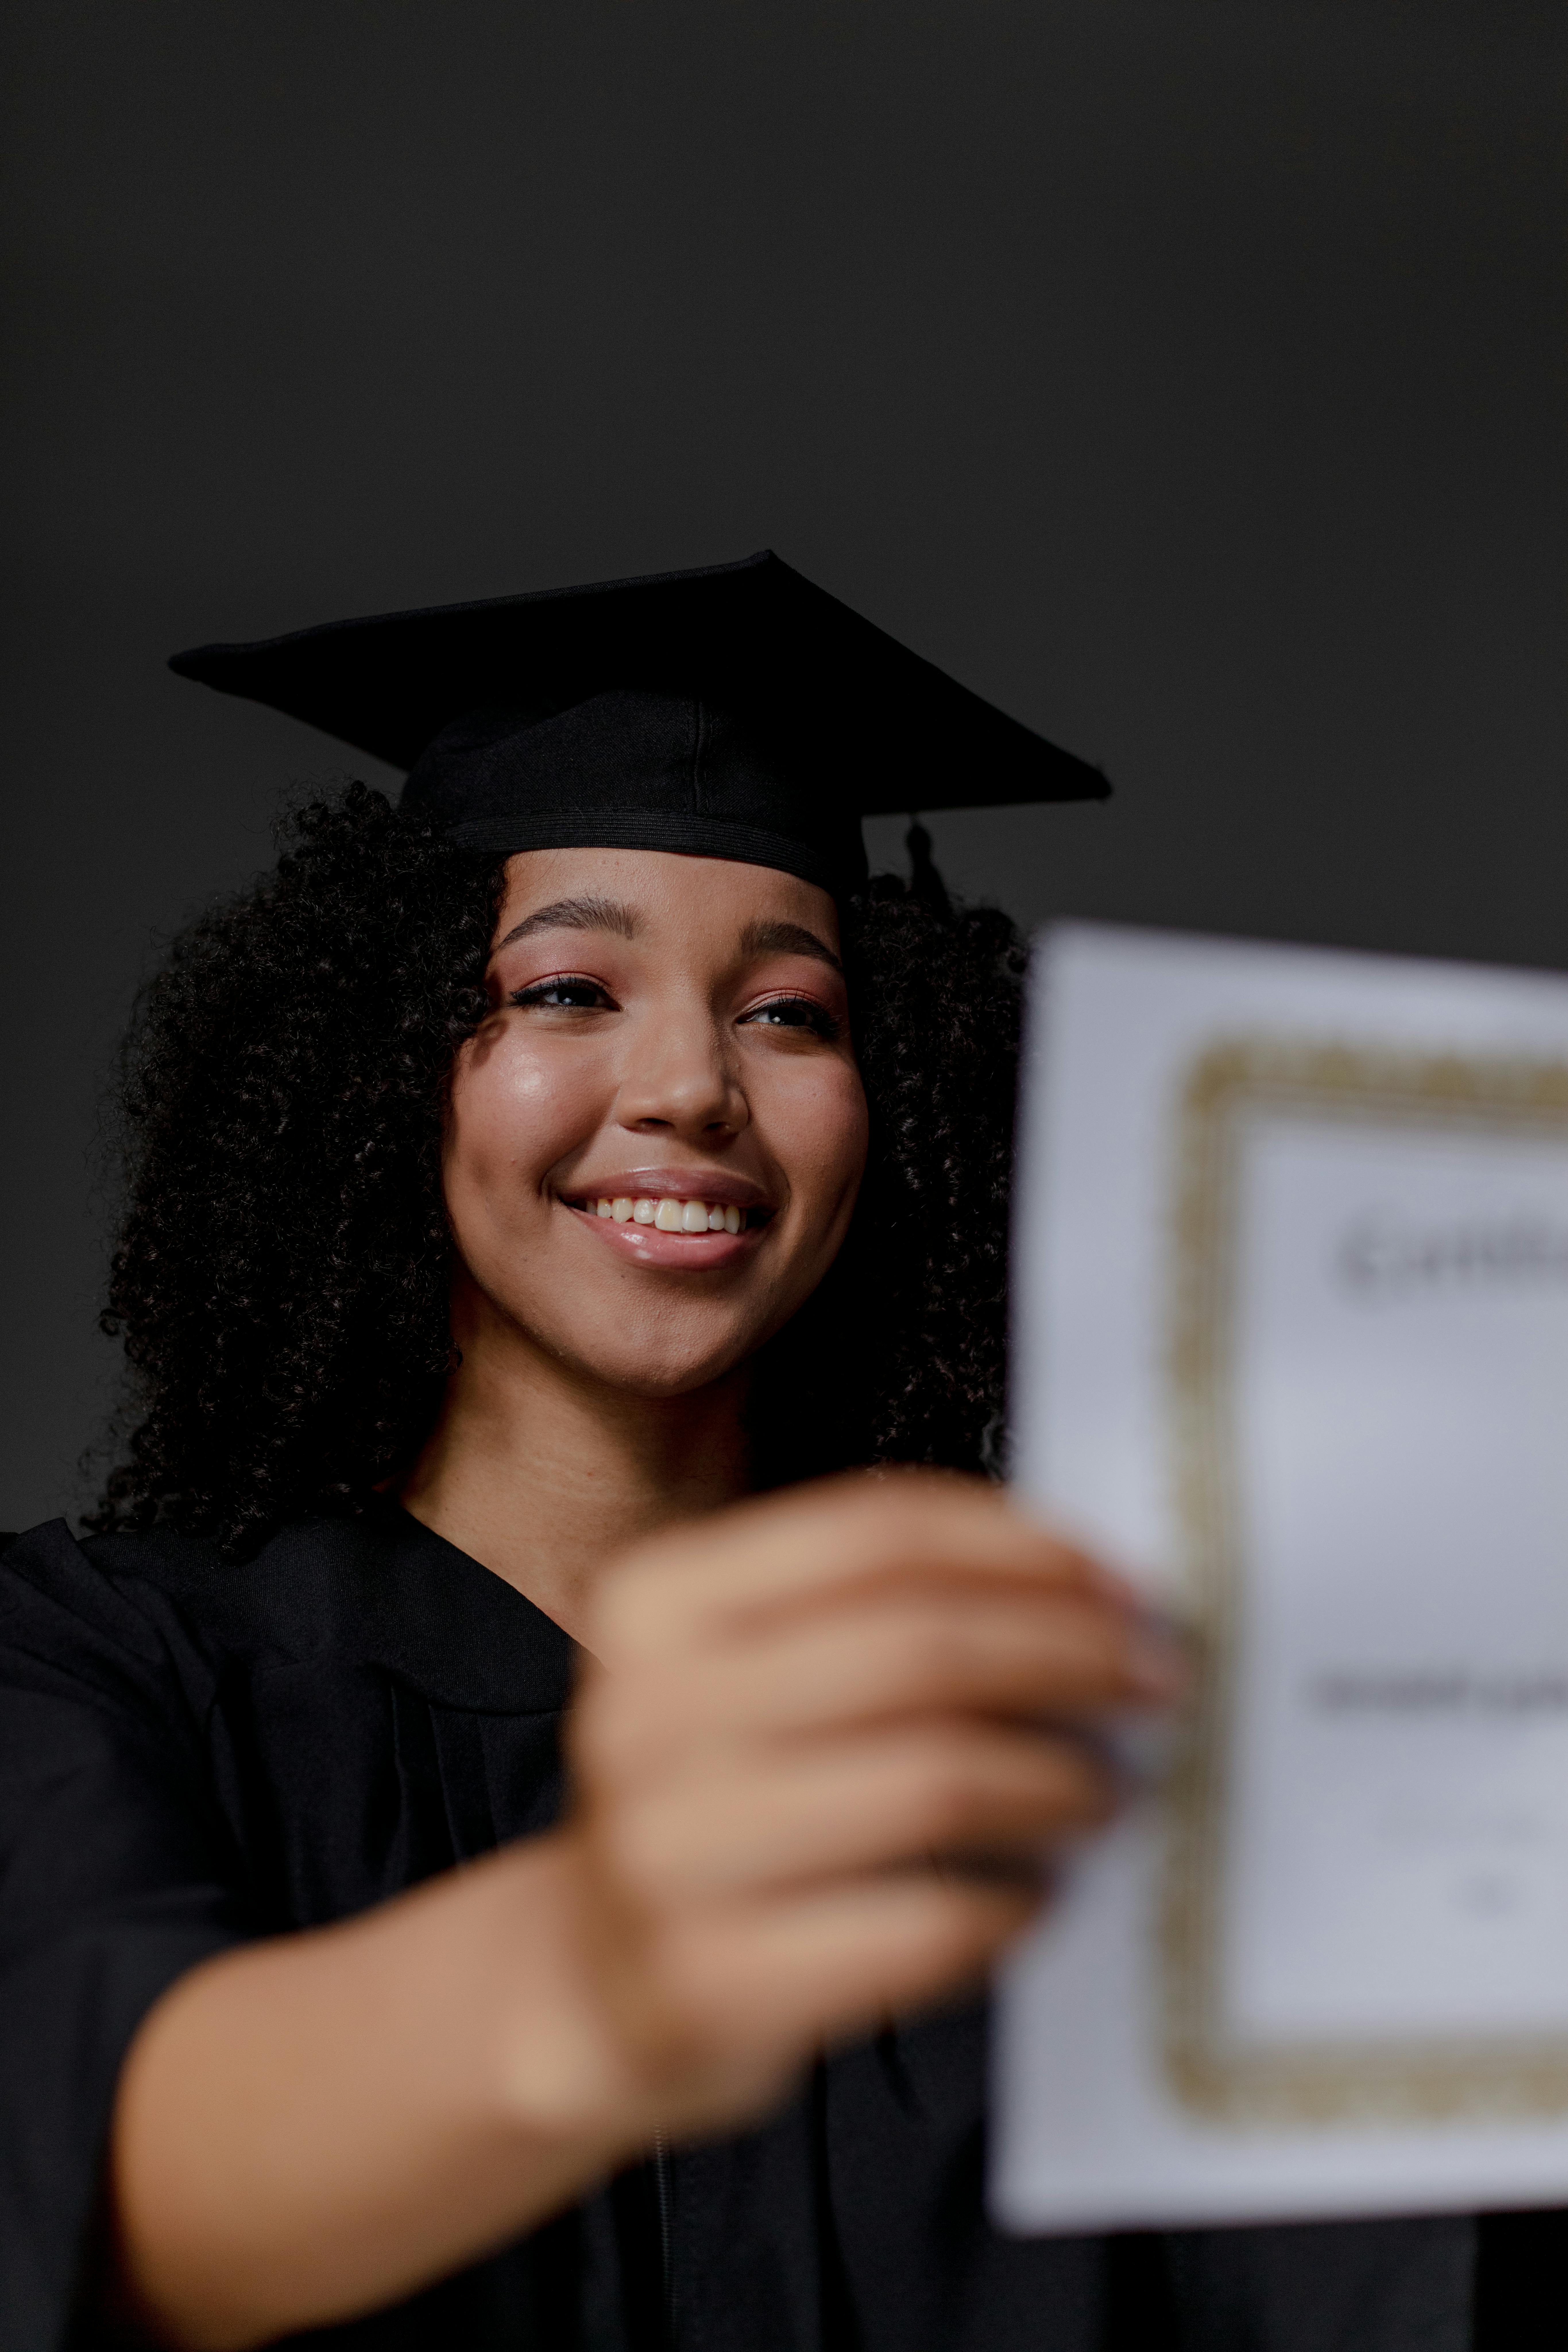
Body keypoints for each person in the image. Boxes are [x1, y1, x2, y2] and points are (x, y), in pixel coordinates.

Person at [0, 555, 1478, 2352]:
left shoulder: (1073, 1718)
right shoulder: (102, 1663)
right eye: (563, 991)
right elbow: (107, 2179)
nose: (692, 1082)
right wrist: (605, 1964)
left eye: (790, 1012)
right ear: (378, 1061)